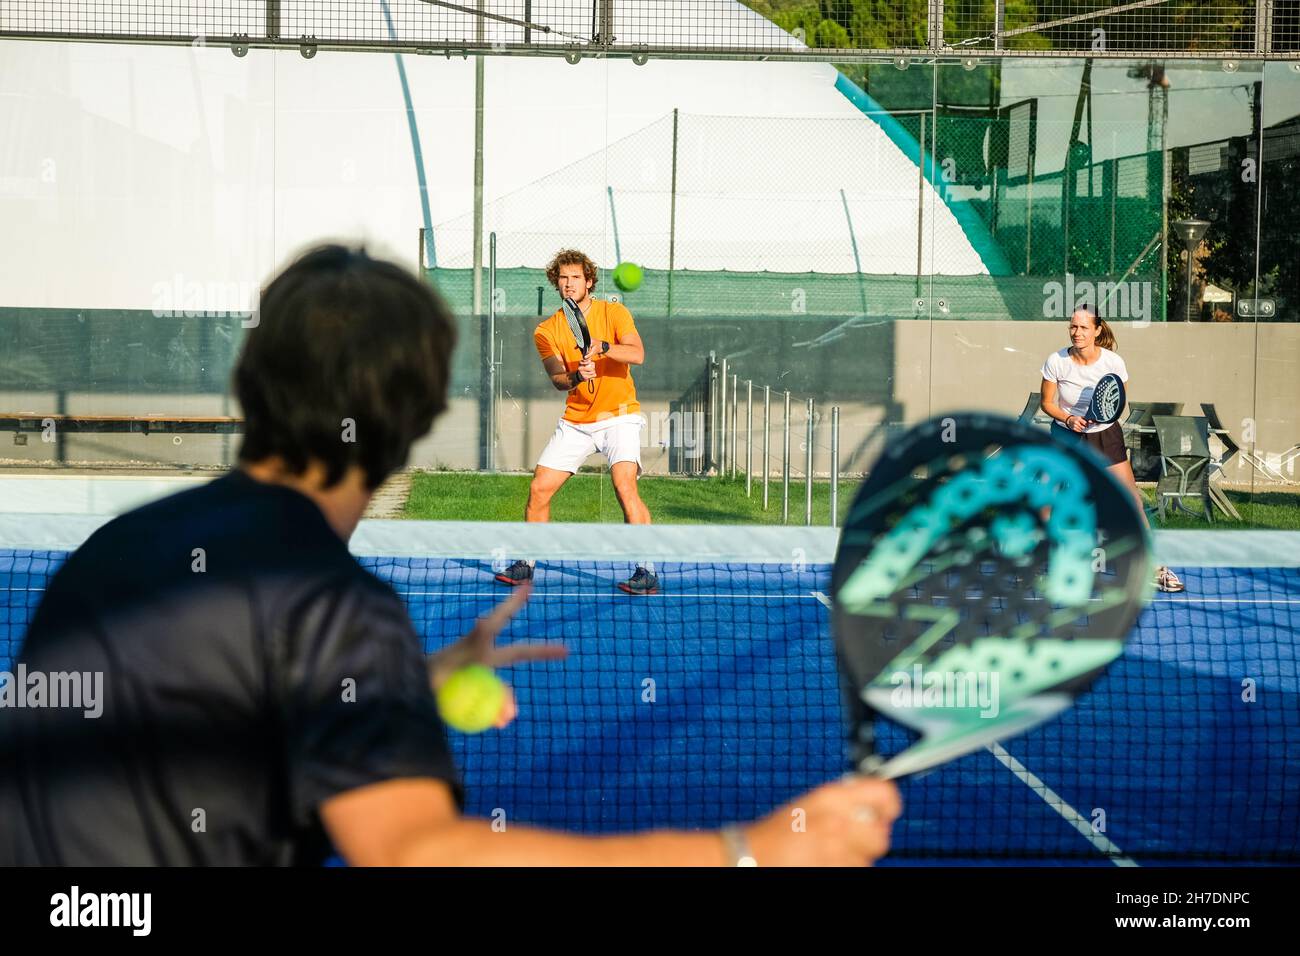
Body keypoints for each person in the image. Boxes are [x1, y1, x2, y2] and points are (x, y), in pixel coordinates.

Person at [0, 244, 900, 866]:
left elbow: (200, 713)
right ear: (419, 414)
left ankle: (641, 554)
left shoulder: (115, 548)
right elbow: (416, 852)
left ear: (249, 381)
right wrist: (749, 851)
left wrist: (384, 684)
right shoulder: (329, 607)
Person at [495, 249, 658, 595]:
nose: (569, 284)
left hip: (620, 416)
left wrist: (602, 346)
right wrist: (576, 378)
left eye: (575, 278)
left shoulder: (614, 312)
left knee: (623, 484)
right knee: (539, 488)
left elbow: (637, 353)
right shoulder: (546, 330)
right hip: (576, 421)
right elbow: (557, 378)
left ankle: (647, 570)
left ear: (589, 281)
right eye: (563, 278)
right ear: (556, 282)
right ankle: (527, 564)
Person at [1039, 307, 1186, 593]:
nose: (1077, 333)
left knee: (1131, 501)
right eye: (1073, 327)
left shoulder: (1113, 362)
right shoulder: (1056, 361)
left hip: (1105, 436)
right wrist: (1068, 418)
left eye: (1083, 328)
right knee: (1046, 502)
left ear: (1096, 330)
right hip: (1066, 435)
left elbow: (1117, 401)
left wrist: (1099, 418)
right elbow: (1048, 402)